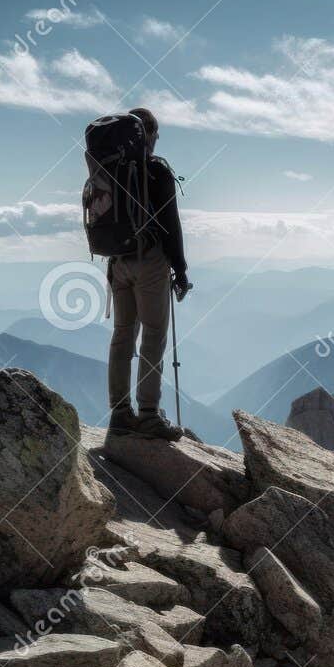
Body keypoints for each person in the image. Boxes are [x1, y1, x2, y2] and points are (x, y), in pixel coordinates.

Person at [106, 107, 190, 441]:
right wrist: (180, 268)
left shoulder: (109, 168)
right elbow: (171, 223)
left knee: (122, 335)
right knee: (154, 334)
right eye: (155, 134)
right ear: (148, 134)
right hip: (149, 261)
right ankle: (149, 415)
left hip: (116, 262)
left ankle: (119, 413)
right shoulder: (155, 170)